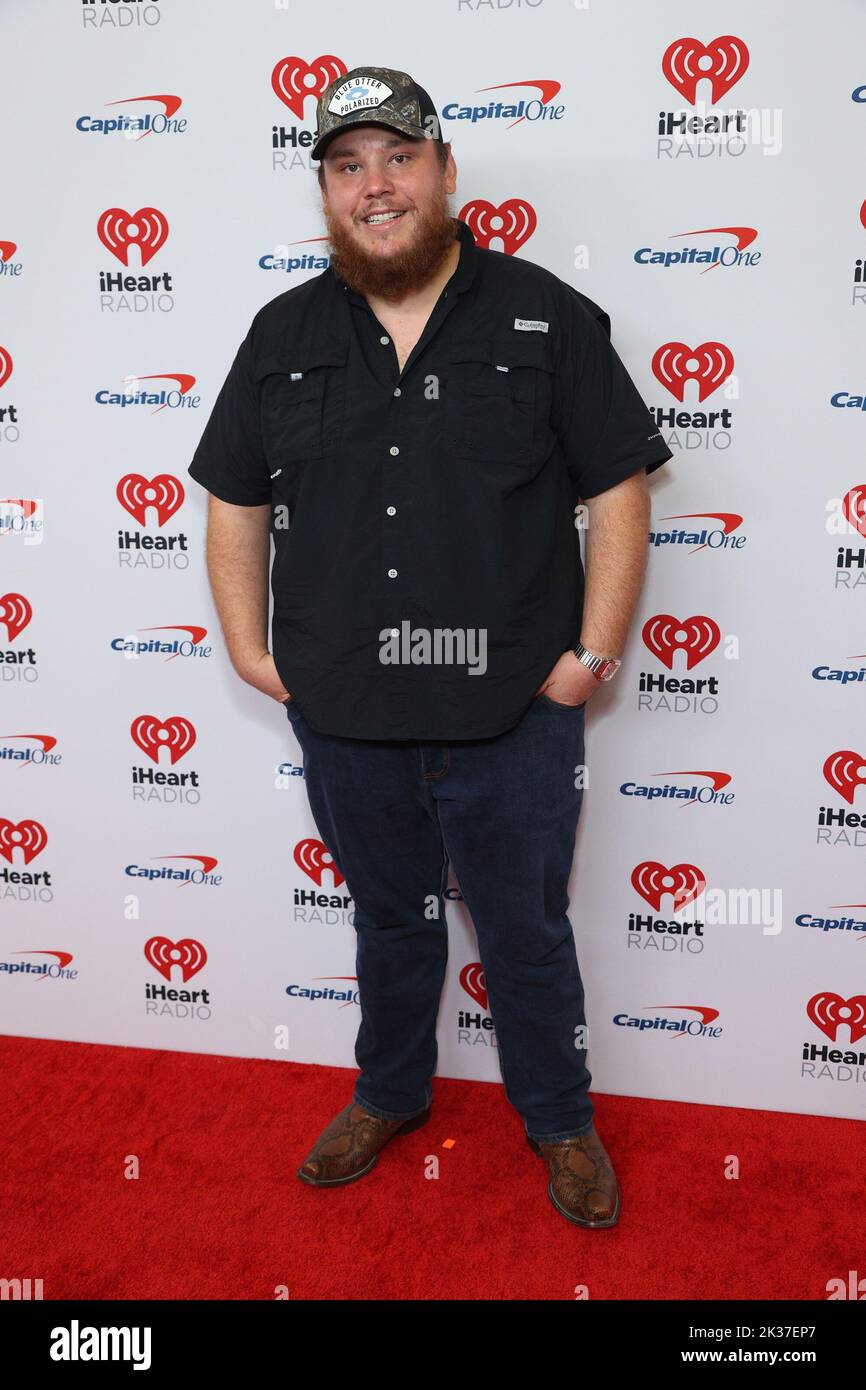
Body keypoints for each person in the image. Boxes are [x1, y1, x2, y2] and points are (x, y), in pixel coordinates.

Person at [187, 66, 672, 1229]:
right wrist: (248, 648)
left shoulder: (544, 314)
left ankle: (558, 1119)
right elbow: (234, 499)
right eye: (347, 165)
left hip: (512, 711)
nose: (375, 185)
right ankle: (389, 1094)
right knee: (386, 922)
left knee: (524, 932)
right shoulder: (281, 331)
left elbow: (616, 487)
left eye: (398, 157)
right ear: (325, 191)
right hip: (343, 709)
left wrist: (589, 659)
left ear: (445, 171)